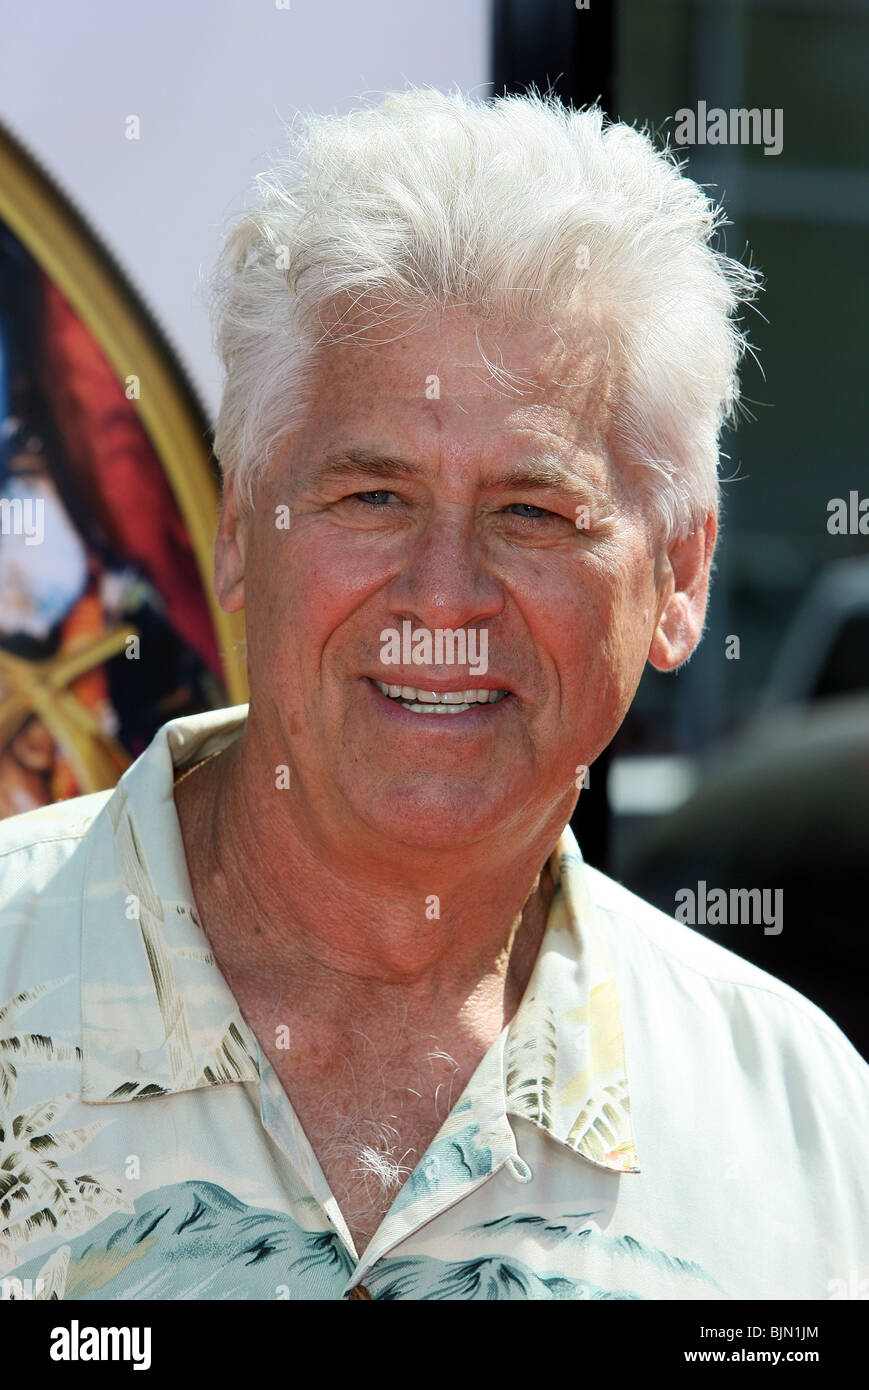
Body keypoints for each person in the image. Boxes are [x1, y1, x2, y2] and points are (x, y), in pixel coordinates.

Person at [0, 88, 866, 1302]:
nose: (443, 596)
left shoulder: (805, 1130)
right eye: (372, 497)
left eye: (532, 511)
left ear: (677, 577)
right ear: (241, 532)